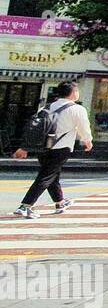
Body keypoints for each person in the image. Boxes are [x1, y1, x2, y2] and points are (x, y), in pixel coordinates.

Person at [12, 81, 93, 219]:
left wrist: (25, 146)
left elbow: (34, 129)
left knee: (52, 175)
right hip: (61, 148)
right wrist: (88, 141)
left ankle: (60, 202)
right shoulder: (78, 109)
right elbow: (84, 128)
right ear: (73, 93)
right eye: (77, 90)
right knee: (46, 176)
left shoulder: (46, 107)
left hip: (42, 148)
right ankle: (25, 206)